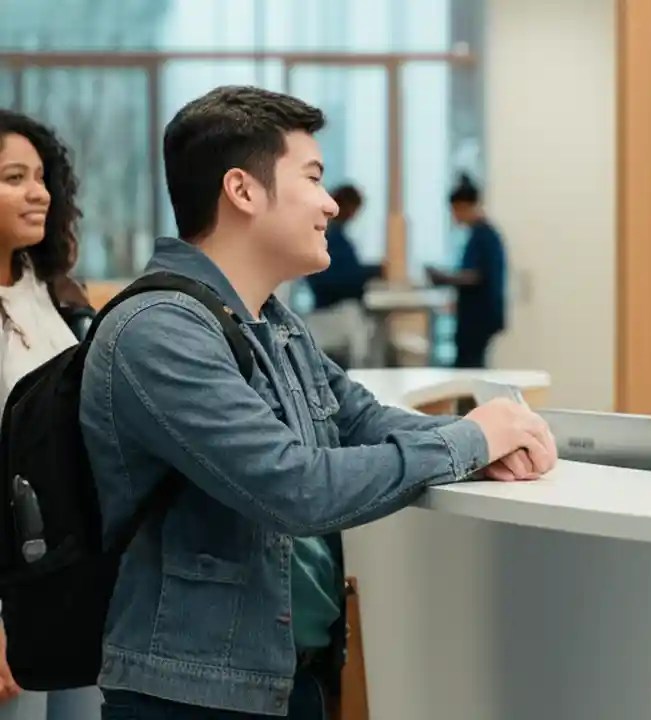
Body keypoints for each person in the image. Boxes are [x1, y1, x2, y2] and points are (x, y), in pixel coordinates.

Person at [79, 86, 556, 719]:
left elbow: (358, 418)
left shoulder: (272, 321)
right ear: (243, 191)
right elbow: (296, 486)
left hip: (286, 680)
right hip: (193, 695)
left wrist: (478, 446)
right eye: (313, 177)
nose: (331, 203)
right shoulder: (160, 330)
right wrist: (471, 440)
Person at [0, 110, 102, 720]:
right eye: (14, 177)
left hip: (70, 576)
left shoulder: (56, 293)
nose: (38, 192)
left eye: (41, 177)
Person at [427, 175, 507, 368]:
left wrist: (444, 278)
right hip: (476, 314)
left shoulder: (483, 236)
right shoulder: (480, 234)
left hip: (478, 317)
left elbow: (475, 276)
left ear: (464, 206)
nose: (454, 217)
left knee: (469, 368)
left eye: (455, 211)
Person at [304, 184, 381, 311]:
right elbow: (335, 279)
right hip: (332, 309)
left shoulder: (334, 236)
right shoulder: (327, 237)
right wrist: (371, 273)